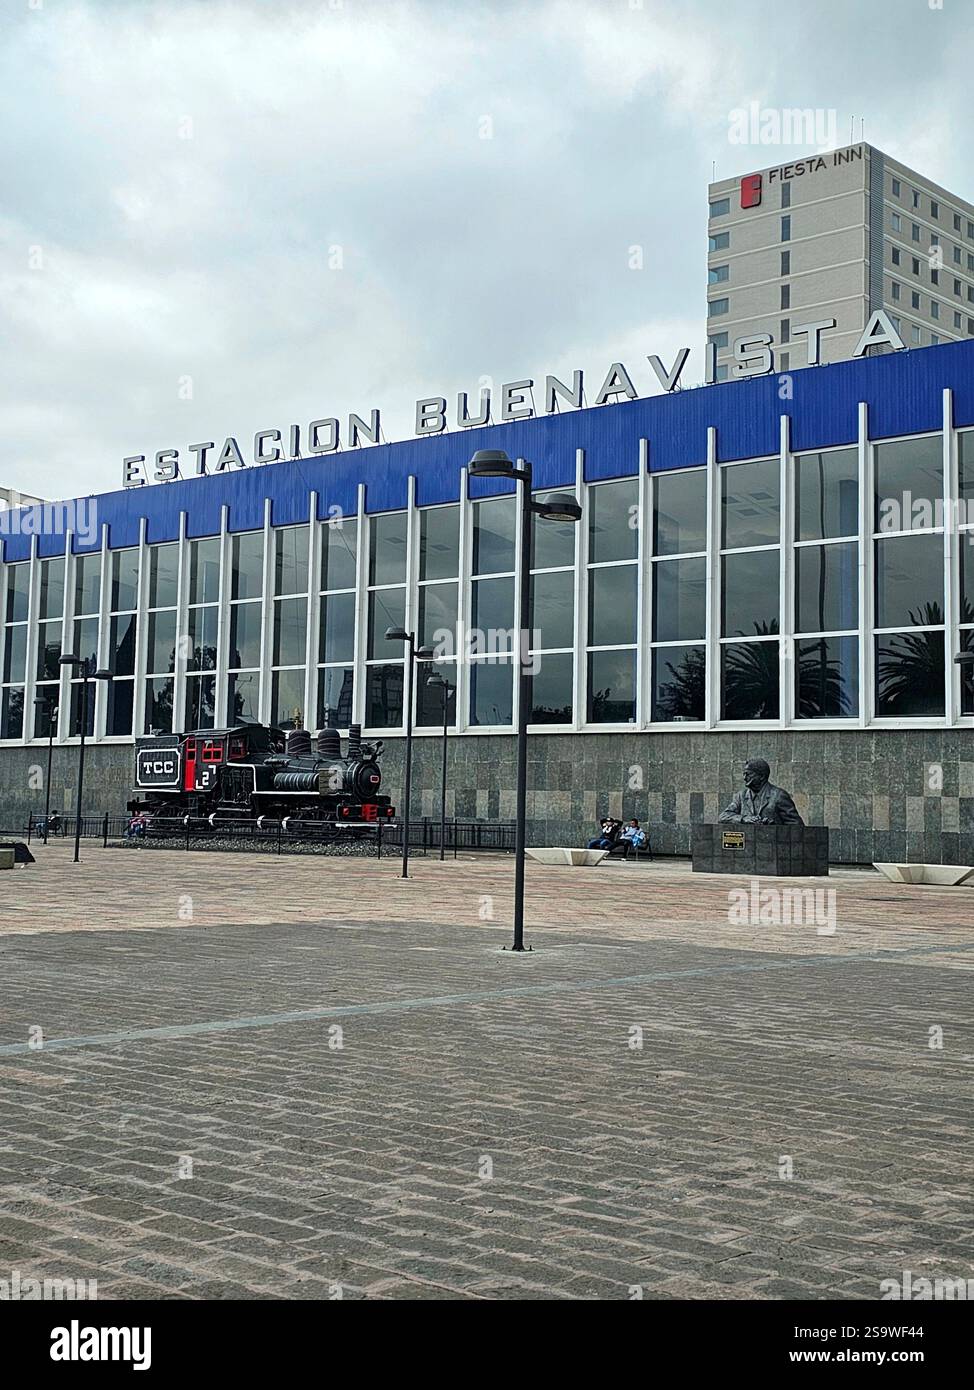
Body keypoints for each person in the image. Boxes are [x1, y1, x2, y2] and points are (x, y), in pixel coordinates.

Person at [718, 758, 804, 825]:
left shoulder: (779, 796)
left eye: (748, 774)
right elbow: (723, 817)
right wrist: (744, 819)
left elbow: (797, 825)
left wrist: (775, 827)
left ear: (762, 776)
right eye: (744, 774)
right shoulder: (741, 796)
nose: (744, 778)